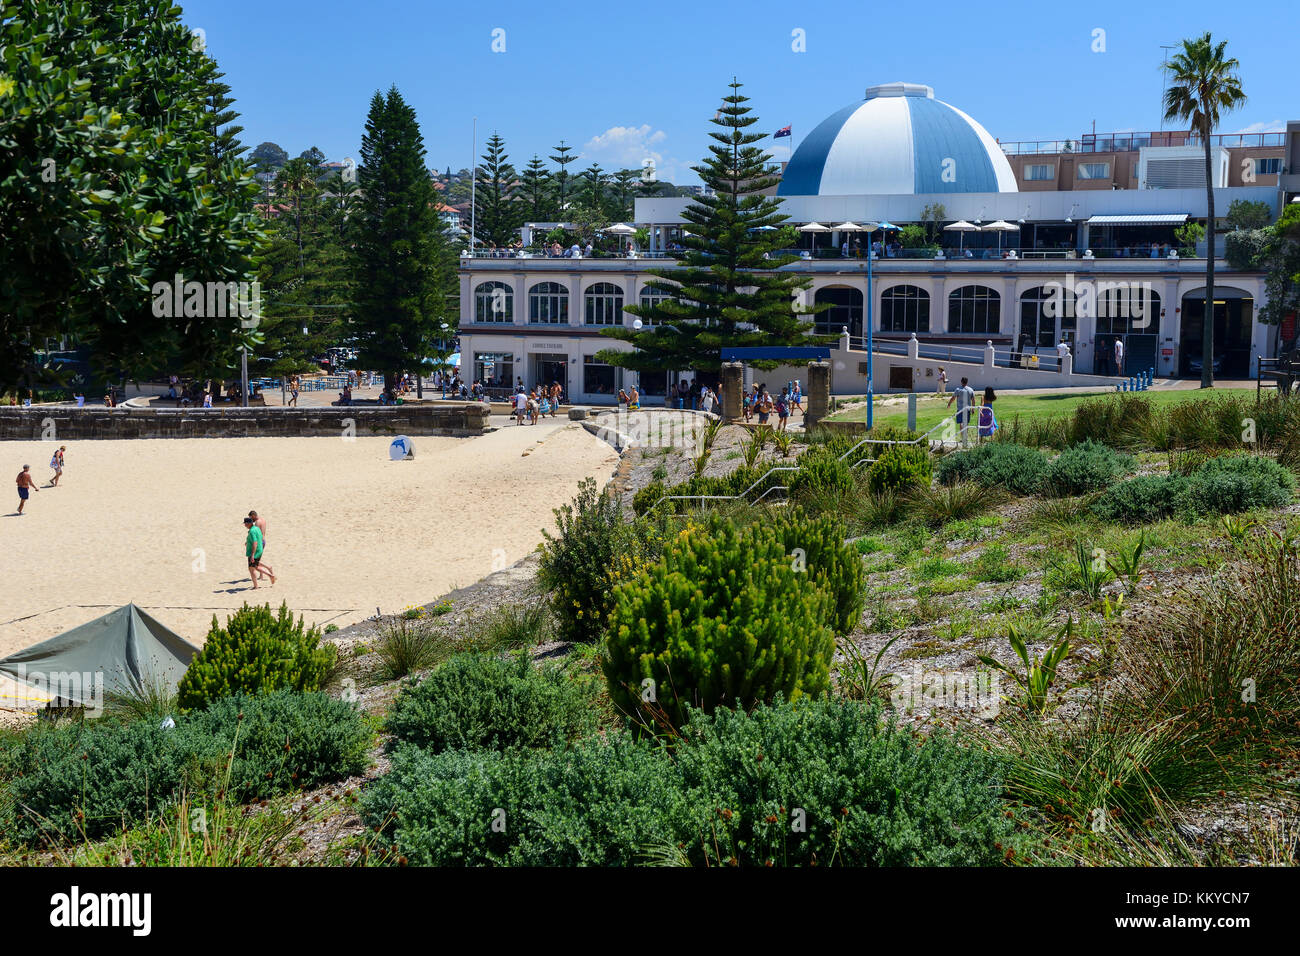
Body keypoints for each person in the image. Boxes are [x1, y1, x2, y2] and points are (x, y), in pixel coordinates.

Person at [243, 515, 274, 589]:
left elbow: (255, 542)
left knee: (251, 569)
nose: (245, 525)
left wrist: (253, 554)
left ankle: (256, 586)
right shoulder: (256, 528)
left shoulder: (252, 531)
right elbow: (259, 537)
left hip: (254, 551)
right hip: (259, 549)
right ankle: (270, 574)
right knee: (255, 566)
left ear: (250, 523)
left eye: (246, 523)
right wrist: (247, 542)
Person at [946, 377, 976, 446]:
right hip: (968, 409)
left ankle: (962, 438)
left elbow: (953, 398)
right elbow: (973, 400)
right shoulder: (970, 390)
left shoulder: (958, 389)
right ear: (967, 382)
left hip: (960, 410)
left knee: (961, 423)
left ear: (961, 382)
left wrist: (949, 404)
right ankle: (965, 438)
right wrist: (973, 409)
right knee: (966, 424)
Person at [248, 510, 273, 581]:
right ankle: (261, 575)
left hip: (259, 542)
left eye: (251, 518)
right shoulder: (263, 520)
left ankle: (267, 570)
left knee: (256, 560)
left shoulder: (257, 523)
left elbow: (256, 534)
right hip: (264, 541)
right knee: (258, 558)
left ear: (253, 516)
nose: (251, 520)